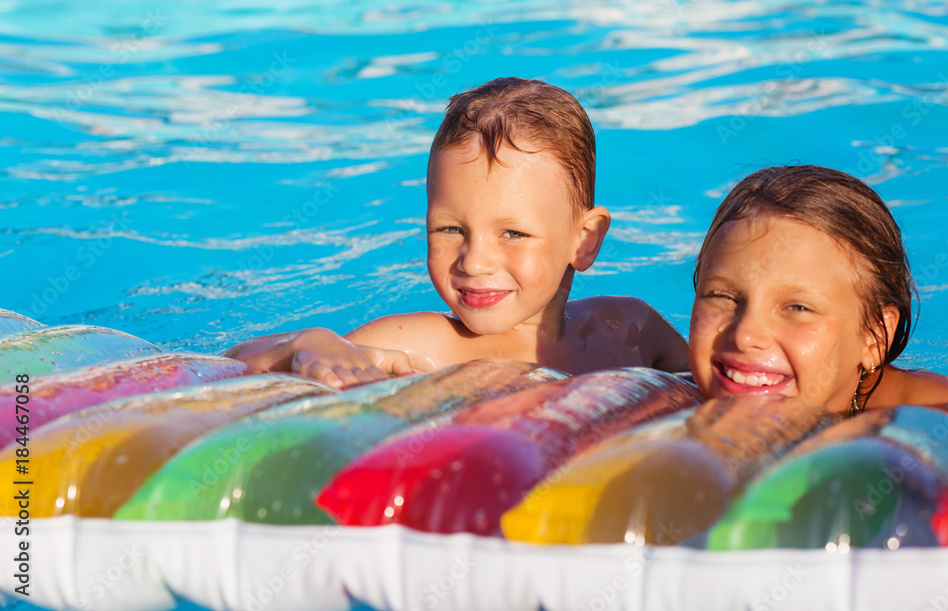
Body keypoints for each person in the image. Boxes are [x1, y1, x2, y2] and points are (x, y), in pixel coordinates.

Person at [224, 77, 689, 388]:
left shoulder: (630, 330)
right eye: (450, 228)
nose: (474, 261)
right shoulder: (424, 347)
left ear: (585, 240)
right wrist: (308, 343)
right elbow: (232, 364)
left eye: (512, 233)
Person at [687, 164, 948, 426]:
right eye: (722, 296)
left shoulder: (936, 416)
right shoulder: (699, 386)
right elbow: (638, 321)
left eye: (797, 307)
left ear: (874, 337)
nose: (744, 335)